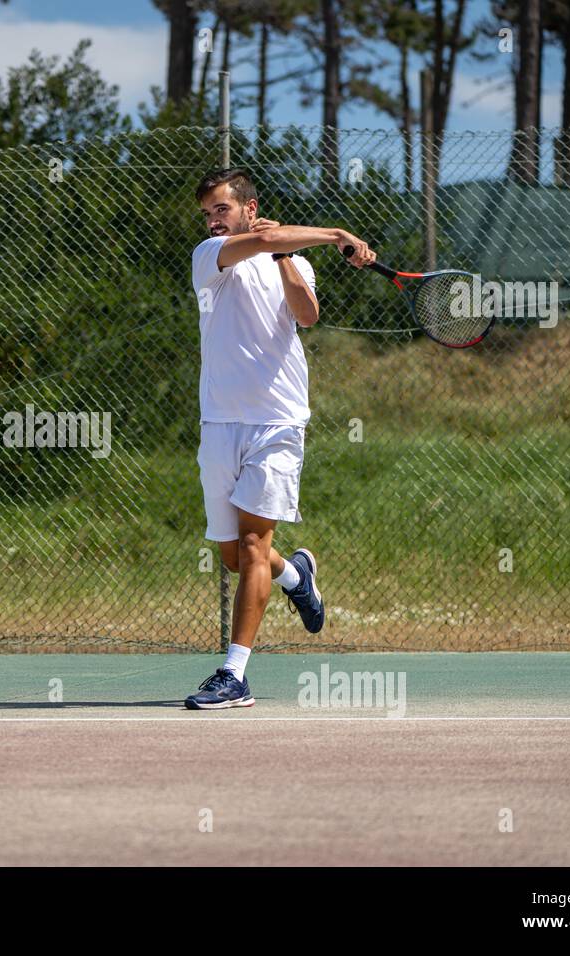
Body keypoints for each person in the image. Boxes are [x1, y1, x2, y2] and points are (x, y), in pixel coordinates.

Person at [185, 168, 375, 710]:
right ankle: (296, 576)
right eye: (208, 213)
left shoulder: (293, 259)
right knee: (234, 559)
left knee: (252, 546)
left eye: (222, 209)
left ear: (249, 206)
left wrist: (288, 256)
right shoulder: (210, 256)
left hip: (279, 421)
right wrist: (339, 234)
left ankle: (234, 674)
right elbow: (266, 238)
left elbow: (307, 315)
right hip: (220, 423)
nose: (213, 220)